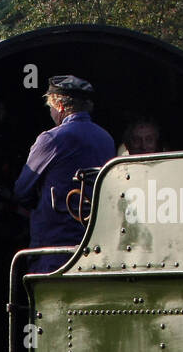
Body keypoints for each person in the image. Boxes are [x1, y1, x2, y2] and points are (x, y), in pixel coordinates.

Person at [14, 75, 116, 274]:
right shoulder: (106, 139)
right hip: (94, 242)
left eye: (50, 106)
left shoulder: (52, 139)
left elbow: (21, 190)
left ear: (59, 106)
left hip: (54, 247)